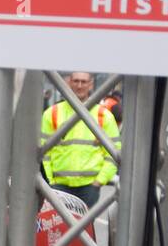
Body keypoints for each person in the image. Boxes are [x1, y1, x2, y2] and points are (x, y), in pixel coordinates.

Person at [40, 71, 120, 211]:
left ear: (91, 85)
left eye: (83, 82)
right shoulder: (51, 114)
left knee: (82, 229)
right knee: (59, 230)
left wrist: (99, 181)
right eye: (76, 81)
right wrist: (50, 182)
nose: (79, 85)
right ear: (69, 83)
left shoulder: (103, 116)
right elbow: (43, 152)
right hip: (58, 186)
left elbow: (114, 153)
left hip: (89, 187)